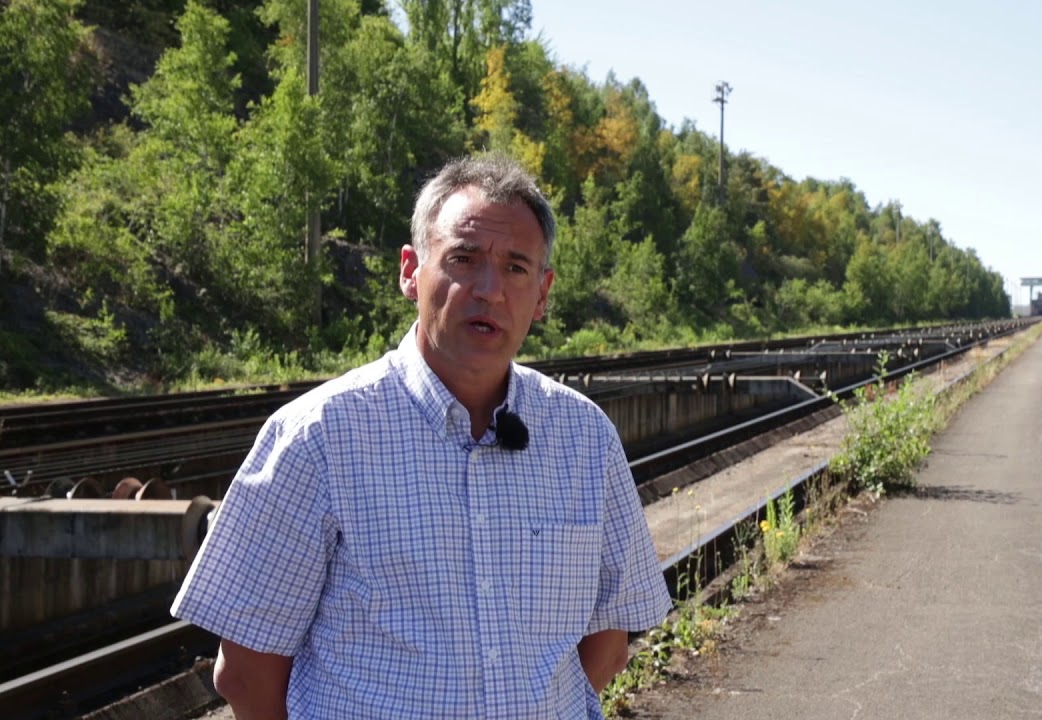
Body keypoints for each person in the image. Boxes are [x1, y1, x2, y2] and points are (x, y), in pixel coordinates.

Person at [171, 155, 671, 719]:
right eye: (463, 258)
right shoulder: (318, 439)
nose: (490, 290)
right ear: (411, 270)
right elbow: (245, 673)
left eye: (515, 268)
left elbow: (609, 636)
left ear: (543, 293)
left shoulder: (584, 440)